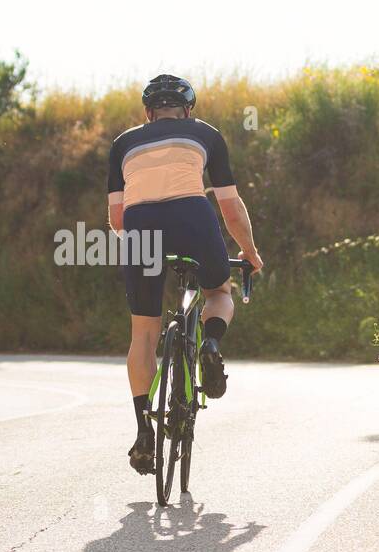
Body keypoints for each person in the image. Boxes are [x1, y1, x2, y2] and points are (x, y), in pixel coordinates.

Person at [107, 75, 263, 475]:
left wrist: (145, 252)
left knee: (143, 333)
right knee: (218, 292)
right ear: (188, 110)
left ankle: (144, 433)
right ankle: (211, 345)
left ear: (147, 112)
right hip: (194, 216)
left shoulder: (124, 143)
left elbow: (116, 218)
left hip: (141, 224)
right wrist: (249, 251)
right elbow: (229, 206)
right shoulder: (206, 134)